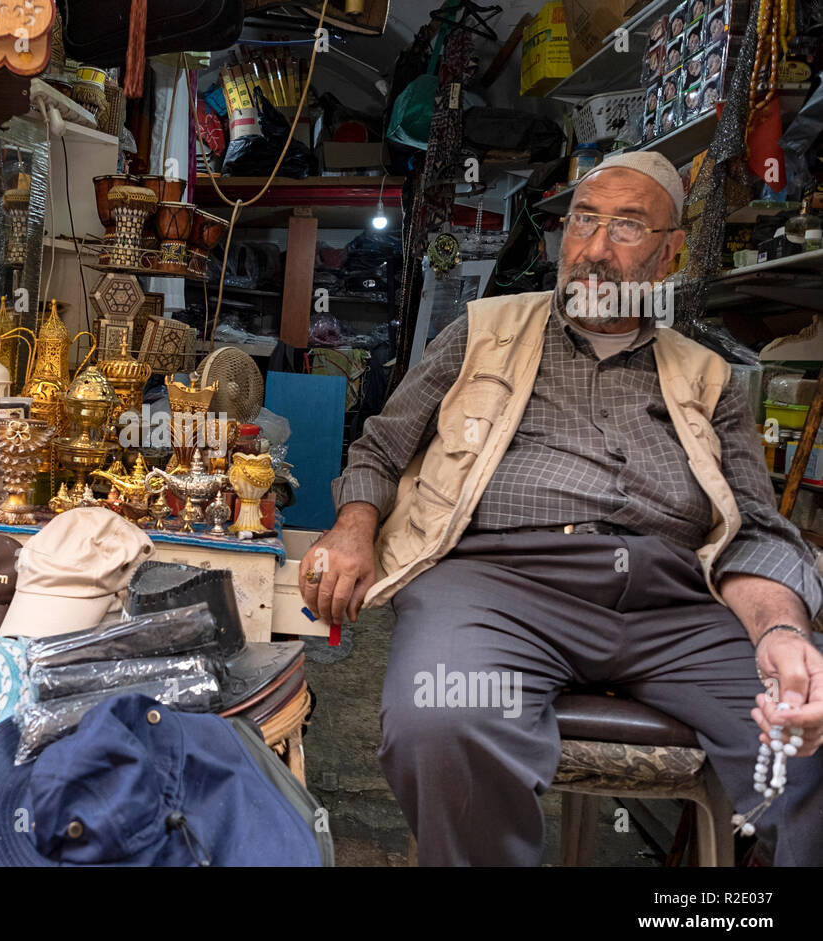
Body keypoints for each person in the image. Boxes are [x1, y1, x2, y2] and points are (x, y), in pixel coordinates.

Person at [299, 151, 823, 866]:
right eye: (584, 221)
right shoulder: (486, 329)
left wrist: (782, 633)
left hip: (672, 603)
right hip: (497, 584)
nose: (595, 250)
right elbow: (381, 449)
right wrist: (354, 528)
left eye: (628, 228)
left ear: (669, 257)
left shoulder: (710, 378)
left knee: (805, 732)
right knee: (444, 716)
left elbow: (756, 533)